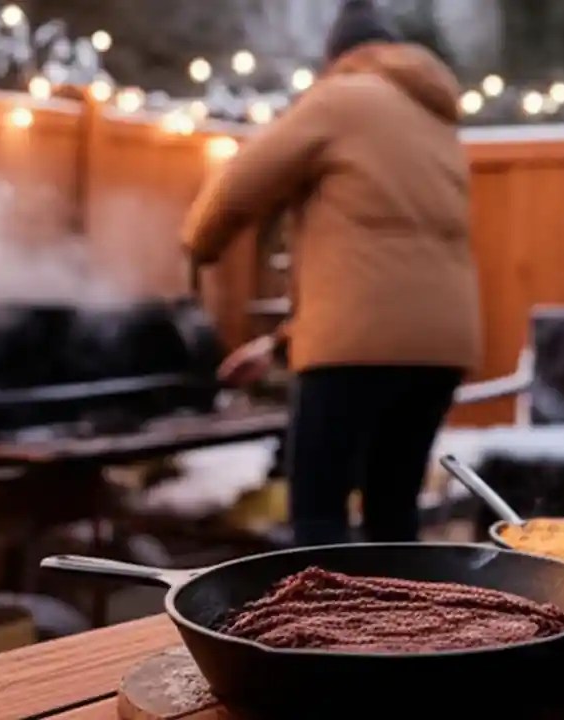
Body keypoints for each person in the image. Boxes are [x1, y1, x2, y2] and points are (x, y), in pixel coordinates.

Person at [183, 0, 481, 546]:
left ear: (338, 57)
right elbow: (382, 266)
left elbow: (239, 184)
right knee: (393, 512)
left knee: (318, 512)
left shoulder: (341, 97)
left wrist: (196, 245)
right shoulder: (436, 121)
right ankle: (405, 627)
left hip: (355, 350)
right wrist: (278, 346)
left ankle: (322, 630)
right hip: (442, 348)